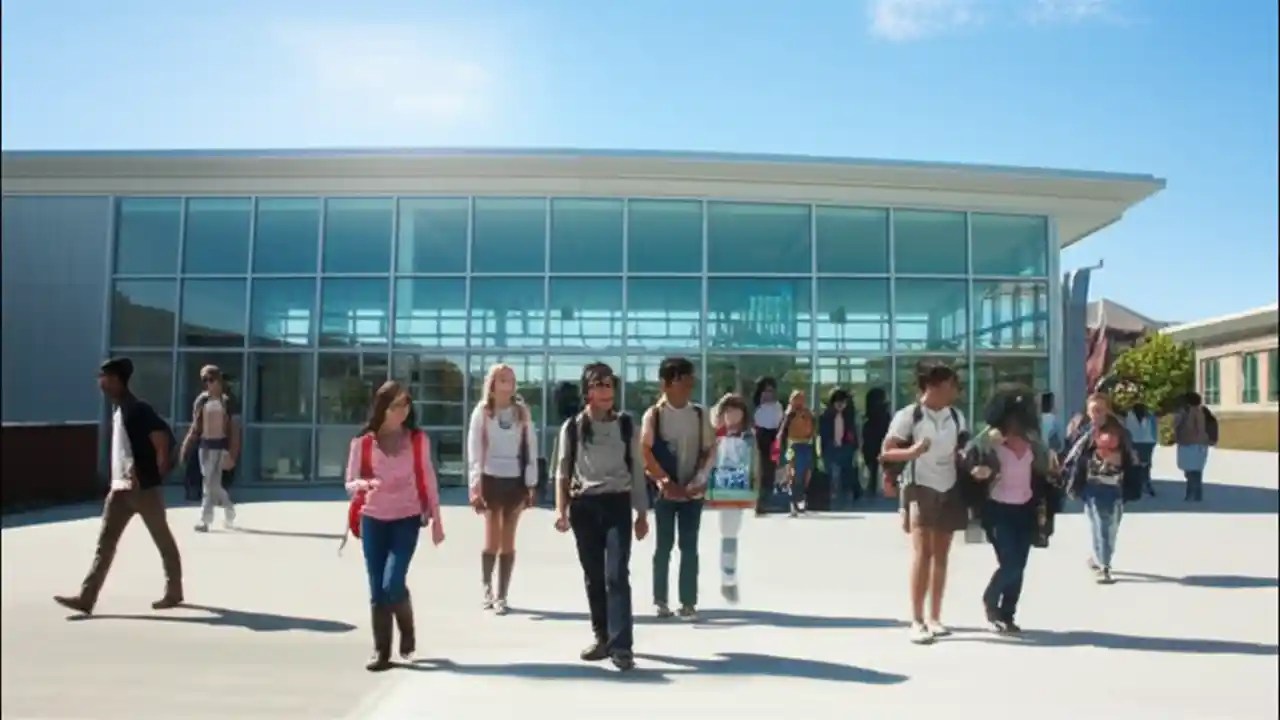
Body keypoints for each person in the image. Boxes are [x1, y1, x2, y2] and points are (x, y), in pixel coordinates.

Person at [54, 358, 184, 615]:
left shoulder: (137, 409)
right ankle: (86, 598)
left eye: (103, 378)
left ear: (116, 380)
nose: (100, 383)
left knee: (162, 540)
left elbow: (163, 436)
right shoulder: (118, 410)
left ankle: (174, 591)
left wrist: (155, 468)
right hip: (119, 490)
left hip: (143, 490)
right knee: (105, 544)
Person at [554, 362, 649, 672]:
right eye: (599, 384)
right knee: (594, 576)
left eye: (610, 384)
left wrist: (642, 513)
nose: (606, 390)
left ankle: (623, 647)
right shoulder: (573, 427)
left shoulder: (626, 426)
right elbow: (562, 472)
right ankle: (602, 637)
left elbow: (637, 469)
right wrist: (560, 510)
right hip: (584, 506)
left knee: (616, 575)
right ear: (587, 391)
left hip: (617, 503)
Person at [345, 381, 445, 671]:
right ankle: (381, 651)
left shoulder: (416, 440)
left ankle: (408, 630)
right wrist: (366, 484)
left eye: (407, 404)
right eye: (397, 405)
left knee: (393, 582)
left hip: (406, 517)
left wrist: (436, 517)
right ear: (383, 408)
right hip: (373, 518)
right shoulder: (363, 443)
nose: (403, 411)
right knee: (377, 588)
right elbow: (350, 482)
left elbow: (428, 478)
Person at [880, 361, 969, 645]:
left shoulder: (956, 416)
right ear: (932, 386)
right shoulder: (909, 416)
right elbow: (887, 452)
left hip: (950, 486)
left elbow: (965, 448)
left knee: (942, 554)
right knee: (923, 553)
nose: (954, 391)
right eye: (949, 385)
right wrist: (913, 451)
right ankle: (916, 620)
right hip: (920, 486)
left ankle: (935, 617)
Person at [965, 387, 1061, 634]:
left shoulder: (1034, 444)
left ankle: (1007, 614)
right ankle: (990, 600)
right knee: (1011, 562)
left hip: (1026, 509)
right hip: (997, 510)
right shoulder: (990, 441)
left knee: (1019, 564)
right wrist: (980, 468)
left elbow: (1045, 474)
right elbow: (969, 455)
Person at [641, 357, 714, 620]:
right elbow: (645, 450)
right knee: (663, 546)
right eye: (683, 379)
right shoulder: (655, 415)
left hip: (693, 492)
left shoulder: (699, 413)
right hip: (665, 492)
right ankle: (660, 599)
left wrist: (700, 478)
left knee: (689, 546)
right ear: (667, 383)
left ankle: (688, 601)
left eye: (690, 378)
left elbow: (709, 449)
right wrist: (663, 481)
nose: (689, 384)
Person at [467, 363, 539, 615]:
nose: (507, 384)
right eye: (502, 380)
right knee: (492, 540)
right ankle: (486, 587)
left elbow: (531, 446)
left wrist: (531, 482)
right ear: (492, 384)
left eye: (511, 380)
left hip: (515, 480)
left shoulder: (522, 412)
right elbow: (474, 450)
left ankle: (502, 595)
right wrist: (474, 485)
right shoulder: (483, 412)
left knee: (508, 540)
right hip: (490, 478)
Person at [1068, 393, 1140, 584]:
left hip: (1114, 487)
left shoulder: (1119, 432)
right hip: (1091, 486)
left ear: (1107, 409)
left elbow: (1131, 458)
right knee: (1099, 526)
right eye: (1092, 410)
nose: (1096, 414)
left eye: (1099, 410)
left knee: (1110, 527)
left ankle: (1100, 557)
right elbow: (1073, 456)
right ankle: (1104, 565)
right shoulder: (1084, 431)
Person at [705, 393, 758, 603]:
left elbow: (756, 464)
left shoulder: (748, 438)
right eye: (728, 411)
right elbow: (711, 417)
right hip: (717, 489)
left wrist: (757, 488)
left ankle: (729, 578)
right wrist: (723, 401)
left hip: (738, 489)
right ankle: (727, 578)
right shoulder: (715, 436)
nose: (732, 415)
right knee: (726, 533)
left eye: (737, 411)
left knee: (730, 534)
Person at [179, 365, 240, 532]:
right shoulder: (201, 400)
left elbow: (234, 430)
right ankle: (229, 509)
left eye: (211, 379)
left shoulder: (228, 401)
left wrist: (233, 454)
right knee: (213, 484)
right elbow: (195, 426)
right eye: (204, 380)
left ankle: (205, 520)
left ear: (218, 380)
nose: (208, 383)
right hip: (204, 446)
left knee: (209, 484)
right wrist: (186, 444)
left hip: (221, 448)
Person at [818, 388, 861, 507]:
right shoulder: (826, 416)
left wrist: (855, 447)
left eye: (843, 402)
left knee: (847, 473)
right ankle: (831, 495)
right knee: (830, 473)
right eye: (838, 402)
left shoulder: (849, 416)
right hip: (830, 447)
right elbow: (822, 434)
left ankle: (846, 496)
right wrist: (822, 450)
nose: (841, 405)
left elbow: (854, 432)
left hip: (846, 447)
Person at [751, 377, 784, 516]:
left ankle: (765, 502)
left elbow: (779, 423)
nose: (768, 394)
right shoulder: (755, 406)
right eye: (765, 391)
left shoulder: (777, 406)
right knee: (758, 471)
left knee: (769, 471)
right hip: (758, 436)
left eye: (771, 391)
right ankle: (756, 501)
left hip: (772, 437)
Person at [1174, 393, 1214, 502]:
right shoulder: (1202, 411)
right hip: (1200, 444)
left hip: (1190, 444)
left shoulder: (1189, 412)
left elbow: (1182, 426)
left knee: (1191, 471)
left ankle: (1192, 493)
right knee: (1196, 470)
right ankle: (1196, 493)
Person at [861, 388, 891, 499]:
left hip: (871, 444)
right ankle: (884, 489)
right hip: (880, 443)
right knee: (881, 468)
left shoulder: (869, 417)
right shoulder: (885, 414)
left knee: (872, 469)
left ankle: (872, 489)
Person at [1124, 401, 1158, 497]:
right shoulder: (1130, 416)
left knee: (1140, 464)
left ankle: (1143, 485)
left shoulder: (1132, 416)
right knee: (1141, 464)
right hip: (1141, 442)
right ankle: (1143, 484)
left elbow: (1154, 429)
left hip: (1141, 442)